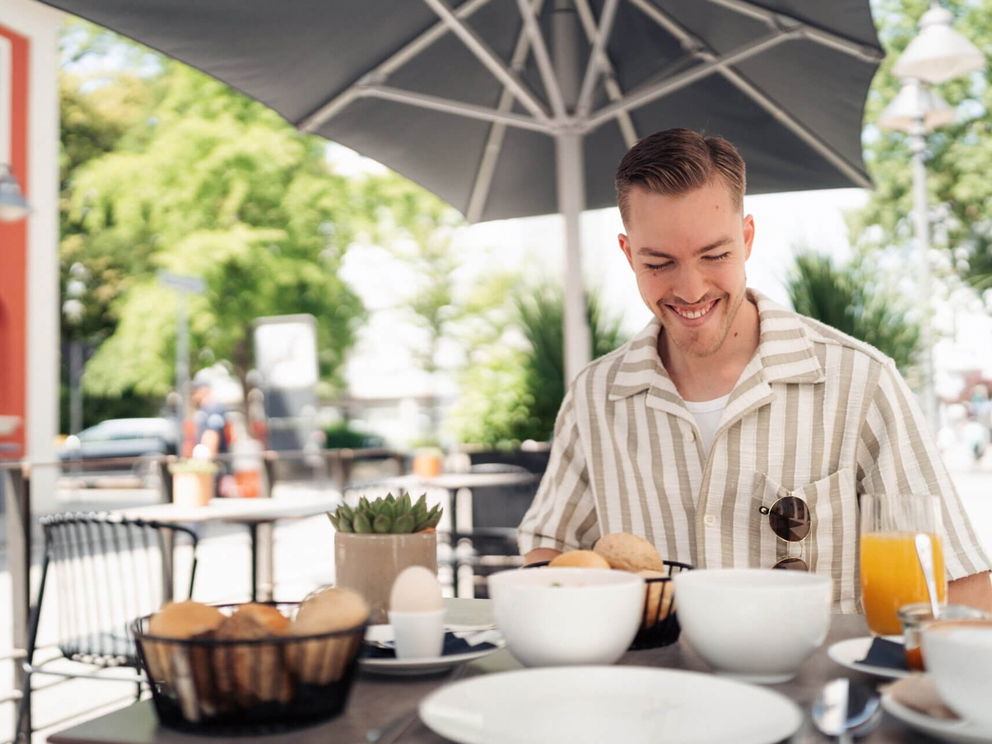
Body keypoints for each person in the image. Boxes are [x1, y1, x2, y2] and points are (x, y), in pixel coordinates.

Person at [518, 128, 992, 612]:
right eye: (659, 263)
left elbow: (959, 586)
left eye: (715, 255)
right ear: (627, 254)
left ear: (746, 239)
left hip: (813, 686)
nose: (690, 289)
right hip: (653, 685)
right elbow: (550, 547)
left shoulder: (860, 382)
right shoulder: (595, 395)